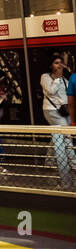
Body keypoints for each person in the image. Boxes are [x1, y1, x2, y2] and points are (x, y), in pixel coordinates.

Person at [40, 55, 74, 186]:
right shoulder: (45, 77)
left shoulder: (65, 79)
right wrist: (58, 78)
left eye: (61, 63)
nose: (59, 65)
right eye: (56, 63)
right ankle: (73, 164)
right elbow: (50, 91)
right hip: (52, 110)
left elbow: (67, 94)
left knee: (58, 136)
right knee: (66, 136)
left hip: (65, 110)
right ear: (51, 65)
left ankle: (49, 162)